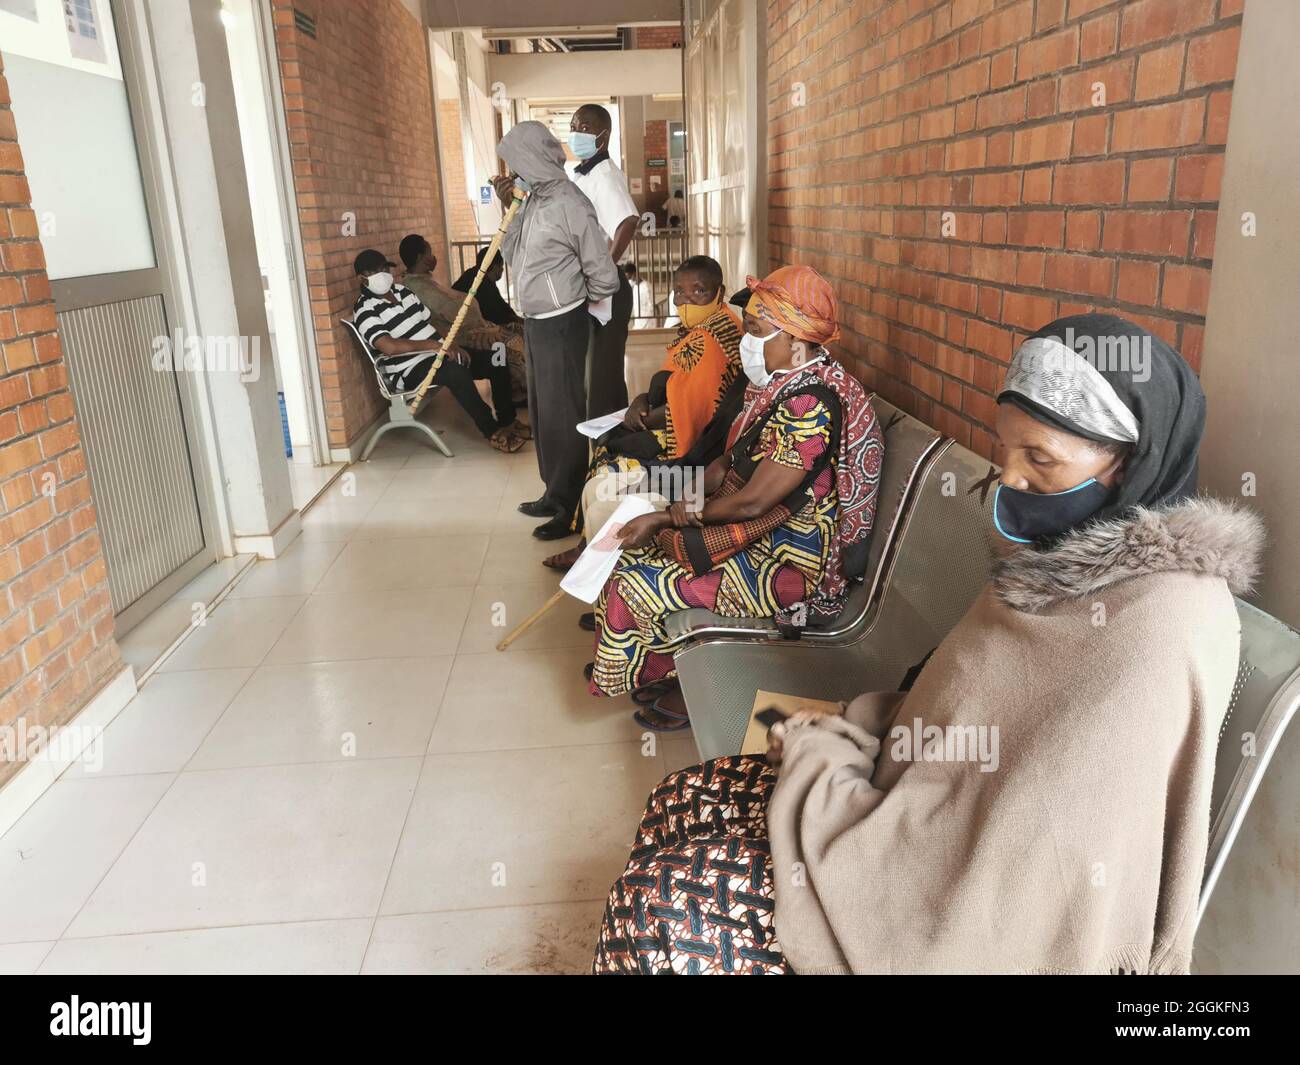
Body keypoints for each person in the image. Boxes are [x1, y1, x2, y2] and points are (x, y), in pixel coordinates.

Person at [592, 312, 1264, 975]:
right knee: (679, 799)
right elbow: (955, 708)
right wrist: (843, 735)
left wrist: (824, 764)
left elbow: (1014, 888)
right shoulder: (1062, 563)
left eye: (1040, 458)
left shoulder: (1157, 635)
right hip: (909, 801)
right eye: (1006, 449)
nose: (1010, 479)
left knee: (653, 910)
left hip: (941, 899)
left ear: (1133, 462)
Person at [586, 266, 884, 731]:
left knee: (638, 579)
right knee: (629, 555)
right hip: (760, 534)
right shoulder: (779, 386)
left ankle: (695, 685)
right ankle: (670, 669)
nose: (748, 341)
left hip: (789, 561)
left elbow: (753, 504)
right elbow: (727, 463)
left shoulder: (810, 405)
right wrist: (686, 494)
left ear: (796, 340)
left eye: (757, 330)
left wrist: (668, 518)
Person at [543, 255, 745, 583]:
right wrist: (639, 401)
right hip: (672, 429)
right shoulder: (700, 328)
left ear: (719, 292)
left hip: (690, 444)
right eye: (679, 292)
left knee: (609, 454)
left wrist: (642, 418)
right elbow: (671, 382)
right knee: (607, 444)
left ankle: (589, 549)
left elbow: (696, 407)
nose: (686, 300)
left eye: (699, 291)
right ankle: (588, 544)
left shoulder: (714, 337)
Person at [493, 121, 621, 540]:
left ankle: (569, 508)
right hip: (535, 320)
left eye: (516, 163)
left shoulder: (570, 201)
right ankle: (553, 492)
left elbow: (602, 271)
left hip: (563, 321)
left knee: (565, 414)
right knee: (543, 412)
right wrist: (509, 207)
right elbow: (511, 253)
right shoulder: (531, 200)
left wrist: (582, 303)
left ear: (533, 159)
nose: (512, 171)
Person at [350, 249, 523, 454]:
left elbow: (430, 321)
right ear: (362, 278)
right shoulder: (365, 309)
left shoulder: (402, 292)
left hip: (439, 354)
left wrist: (452, 344)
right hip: (409, 368)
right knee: (455, 372)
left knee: (497, 357)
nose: (382, 275)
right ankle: (492, 431)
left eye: (384, 269)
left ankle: (507, 421)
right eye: (374, 272)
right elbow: (389, 346)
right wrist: (433, 346)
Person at [398, 233, 529, 409]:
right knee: (511, 341)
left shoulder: (424, 278)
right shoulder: (417, 285)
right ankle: (517, 393)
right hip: (459, 334)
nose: (433, 257)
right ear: (421, 257)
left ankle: (524, 386)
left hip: (471, 326)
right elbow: (450, 310)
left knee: (518, 329)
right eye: (430, 253)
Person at [569, 104, 640, 419]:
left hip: (606, 288)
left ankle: (608, 440)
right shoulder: (582, 174)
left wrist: (603, 272)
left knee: (601, 377)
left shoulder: (605, 174)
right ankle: (611, 438)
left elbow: (627, 221)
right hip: (590, 284)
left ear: (604, 135)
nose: (576, 133)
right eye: (574, 127)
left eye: (584, 127)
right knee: (598, 373)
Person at [452, 245, 521, 328]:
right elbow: (494, 315)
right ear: (495, 267)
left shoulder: (477, 274)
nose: (502, 270)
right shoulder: (480, 284)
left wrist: (516, 318)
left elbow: (500, 302)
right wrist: (515, 320)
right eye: (501, 266)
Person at [625, 263, 654, 328]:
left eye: (629, 278)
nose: (629, 280)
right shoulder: (635, 286)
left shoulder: (646, 287)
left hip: (647, 322)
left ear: (634, 274)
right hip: (638, 322)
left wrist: (646, 323)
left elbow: (651, 306)